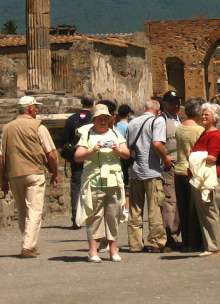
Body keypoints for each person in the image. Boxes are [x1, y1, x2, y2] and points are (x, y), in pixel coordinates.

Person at [0, 96, 60, 258]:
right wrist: (55, 172)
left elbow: (1, 156)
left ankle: (30, 242)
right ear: (30, 108)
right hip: (35, 172)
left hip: (14, 173)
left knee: (23, 211)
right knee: (34, 210)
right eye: (35, 107)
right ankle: (27, 245)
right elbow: (51, 154)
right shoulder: (38, 127)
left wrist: (3, 178)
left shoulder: (7, 128)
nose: (36, 110)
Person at [74, 104, 131, 262]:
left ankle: (113, 249)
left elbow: (126, 154)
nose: (103, 121)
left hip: (113, 180)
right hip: (95, 180)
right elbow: (78, 156)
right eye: (100, 119)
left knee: (112, 215)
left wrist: (117, 149)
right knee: (94, 215)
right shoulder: (87, 135)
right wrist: (92, 150)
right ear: (94, 120)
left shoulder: (115, 134)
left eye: (106, 118)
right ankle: (93, 251)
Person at [126, 99, 171, 253]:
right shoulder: (157, 121)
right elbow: (157, 144)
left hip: (135, 171)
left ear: (144, 108)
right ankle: (157, 242)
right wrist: (165, 159)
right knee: (154, 209)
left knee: (135, 209)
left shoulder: (132, 123)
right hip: (152, 171)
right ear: (158, 111)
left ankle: (135, 243)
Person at [189, 102, 220, 257]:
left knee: (210, 212)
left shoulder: (215, 135)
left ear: (215, 118)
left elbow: (212, 157)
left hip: (210, 179)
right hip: (202, 177)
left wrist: (192, 156)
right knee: (204, 212)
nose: (203, 116)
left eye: (207, 115)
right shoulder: (205, 133)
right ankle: (209, 245)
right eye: (203, 114)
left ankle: (214, 246)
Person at [174, 97, 206, 252]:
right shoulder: (199, 130)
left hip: (179, 170)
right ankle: (195, 242)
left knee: (184, 209)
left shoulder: (180, 127)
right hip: (193, 171)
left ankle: (186, 241)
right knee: (195, 210)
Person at [60, 94, 95, 229]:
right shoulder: (94, 119)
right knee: (92, 186)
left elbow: (64, 140)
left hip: (76, 156)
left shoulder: (71, 119)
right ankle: (90, 216)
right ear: (93, 104)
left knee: (76, 187)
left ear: (81, 103)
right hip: (91, 156)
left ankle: (76, 218)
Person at [160, 90, 182, 248]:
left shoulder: (178, 120)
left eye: (178, 102)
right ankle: (169, 235)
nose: (176, 105)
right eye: (173, 102)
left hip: (180, 163)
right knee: (170, 202)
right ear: (165, 104)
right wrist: (165, 159)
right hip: (169, 164)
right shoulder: (162, 121)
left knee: (179, 201)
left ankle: (176, 233)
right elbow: (158, 143)